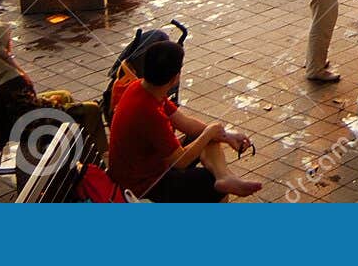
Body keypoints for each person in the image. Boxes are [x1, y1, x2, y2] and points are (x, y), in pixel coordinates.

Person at [108, 41, 260, 201]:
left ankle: (224, 177)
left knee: (207, 135)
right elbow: (179, 161)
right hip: (144, 185)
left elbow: (186, 123)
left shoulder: (140, 87)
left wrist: (226, 135)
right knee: (211, 185)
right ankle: (221, 187)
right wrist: (209, 133)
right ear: (175, 78)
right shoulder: (149, 114)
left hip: (151, 166)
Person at [0, 22, 107, 154]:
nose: (10, 44)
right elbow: (28, 112)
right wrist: (51, 103)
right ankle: (97, 160)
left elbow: (19, 104)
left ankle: (74, 149)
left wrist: (46, 101)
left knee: (64, 94)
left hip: (2, 119)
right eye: (6, 41)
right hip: (24, 125)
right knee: (91, 109)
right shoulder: (8, 79)